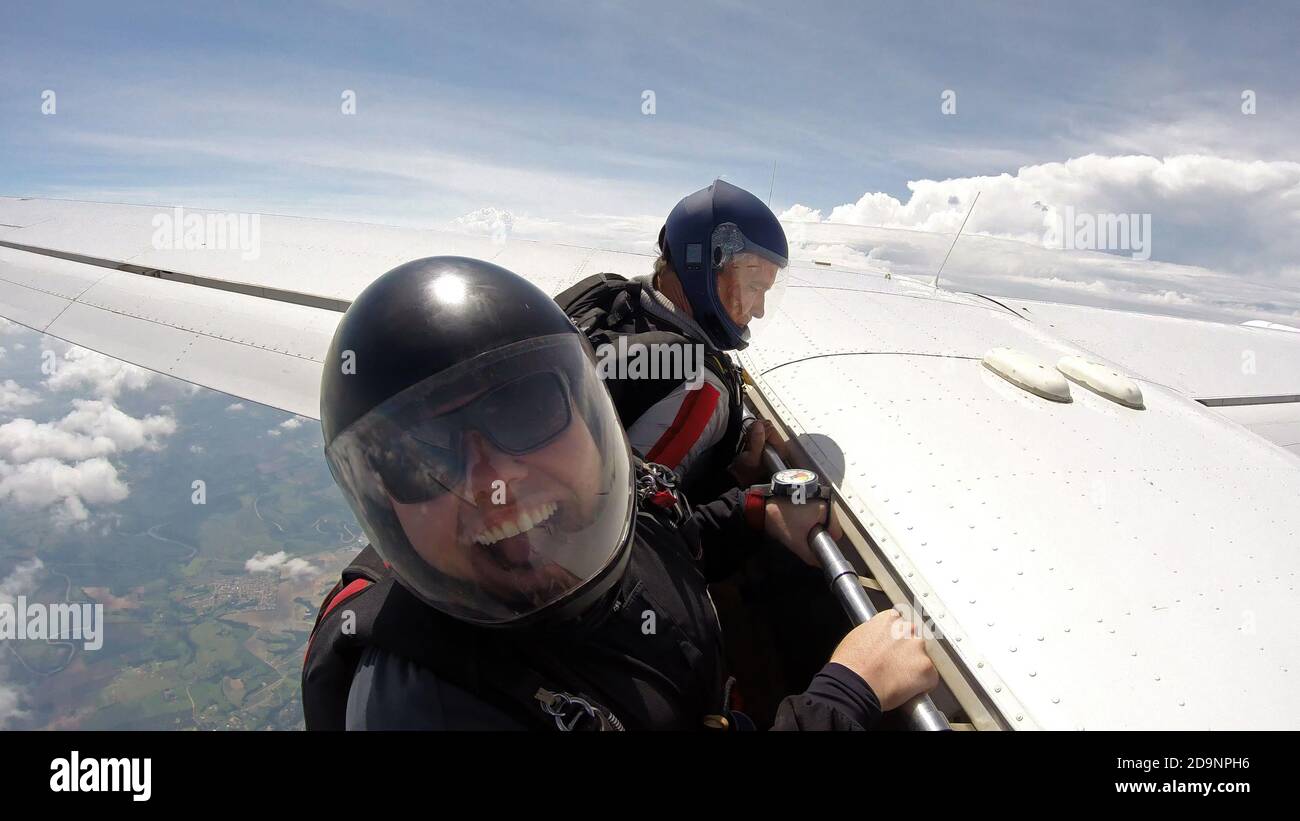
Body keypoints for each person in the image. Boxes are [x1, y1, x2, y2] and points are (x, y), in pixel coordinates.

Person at [302, 256, 938, 730]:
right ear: (387, 508)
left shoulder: (606, 505)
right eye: (416, 460)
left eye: (524, 409)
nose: (491, 483)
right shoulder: (424, 710)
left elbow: (662, 538)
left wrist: (750, 516)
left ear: (587, 410)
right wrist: (843, 698)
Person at [555, 180, 789, 502]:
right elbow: (632, 523)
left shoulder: (608, 299)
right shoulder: (699, 386)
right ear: (703, 270)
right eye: (753, 287)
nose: (760, 310)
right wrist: (738, 480)